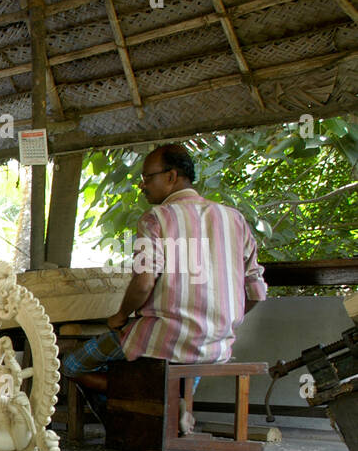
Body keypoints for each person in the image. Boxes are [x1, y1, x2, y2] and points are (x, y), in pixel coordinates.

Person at [61, 144, 266, 430]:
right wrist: (222, 321)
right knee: (178, 366)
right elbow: (256, 292)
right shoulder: (235, 220)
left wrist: (120, 316)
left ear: (171, 176)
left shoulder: (156, 219)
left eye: (148, 177)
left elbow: (144, 282)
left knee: (71, 366)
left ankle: (130, 417)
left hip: (162, 339)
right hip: (215, 346)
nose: (142, 186)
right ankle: (173, 404)